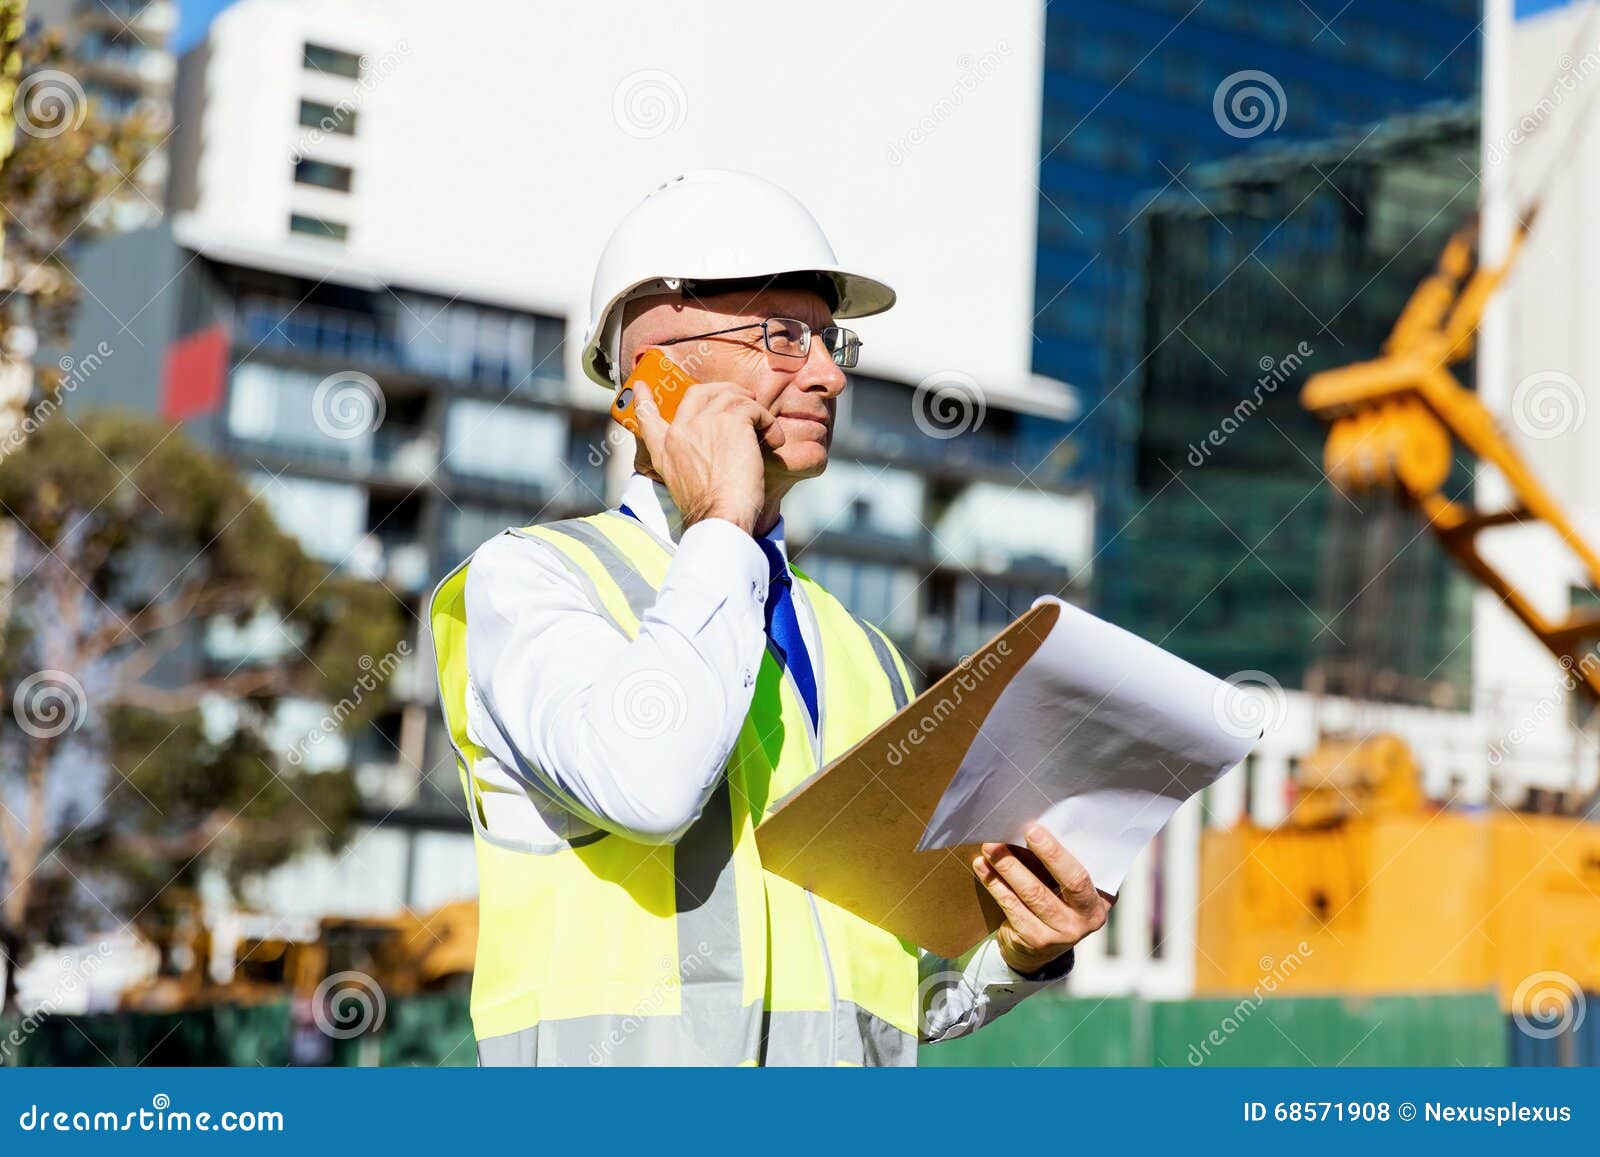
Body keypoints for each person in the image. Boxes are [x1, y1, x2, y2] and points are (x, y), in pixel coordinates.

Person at [428, 170, 1109, 1066]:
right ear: (657, 366)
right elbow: (650, 784)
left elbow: (889, 999)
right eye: (783, 337)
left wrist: (1020, 954)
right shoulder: (533, 583)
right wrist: (721, 521)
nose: (827, 374)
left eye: (831, 342)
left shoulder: (863, 653)